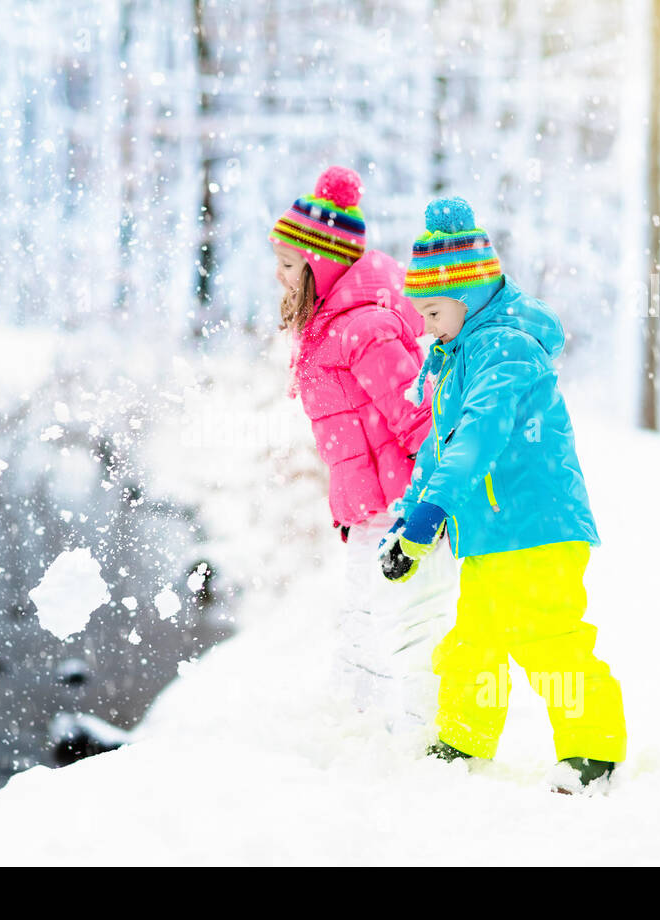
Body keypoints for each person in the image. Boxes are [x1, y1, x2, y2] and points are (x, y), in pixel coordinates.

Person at [380, 196, 627, 792]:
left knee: (547, 640)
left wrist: (433, 513)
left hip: (537, 526)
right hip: (491, 533)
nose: (426, 327)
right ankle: (463, 739)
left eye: (434, 312)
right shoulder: (458, 351)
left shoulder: (506, 348)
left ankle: (592, 752)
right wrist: (411, 517)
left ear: (465, 299)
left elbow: (478, 439)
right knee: (474, 643)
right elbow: (440, 447)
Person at [269, 166, 452, 727]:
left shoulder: (364, 327)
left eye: (285, 265)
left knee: (409, 623)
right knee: (359, 621)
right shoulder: (330, 322)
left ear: (318, 266)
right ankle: (358, 729)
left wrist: (429, 508)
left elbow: (417, 417)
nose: (276, 276)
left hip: (404, 504)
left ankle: (429, 737)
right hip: (368, 506)